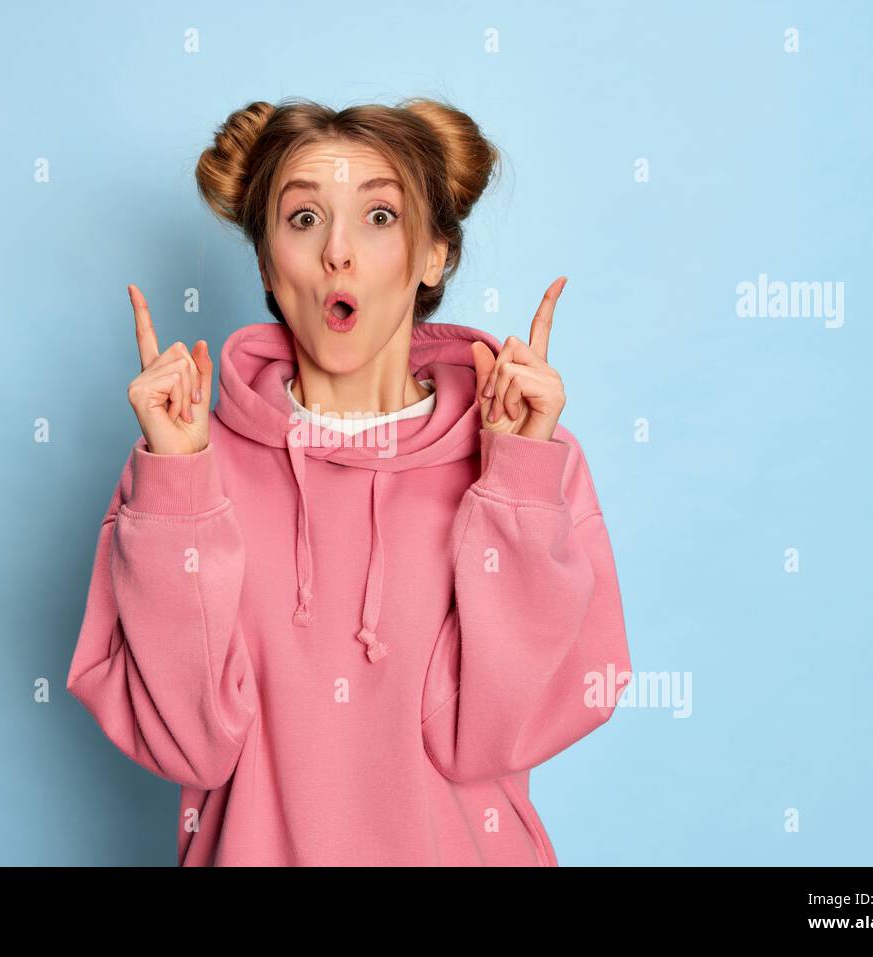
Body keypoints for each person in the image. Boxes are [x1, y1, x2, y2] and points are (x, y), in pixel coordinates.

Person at [66, 97, 633, 866]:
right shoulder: (185, 462)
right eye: (303, 218)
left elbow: (496, 736)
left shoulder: (526, 455)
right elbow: (189, 747)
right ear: (266, 261)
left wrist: (517, 487)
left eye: (378, 216)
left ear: (433, 254)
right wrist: (176, 493)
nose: (338, 250)